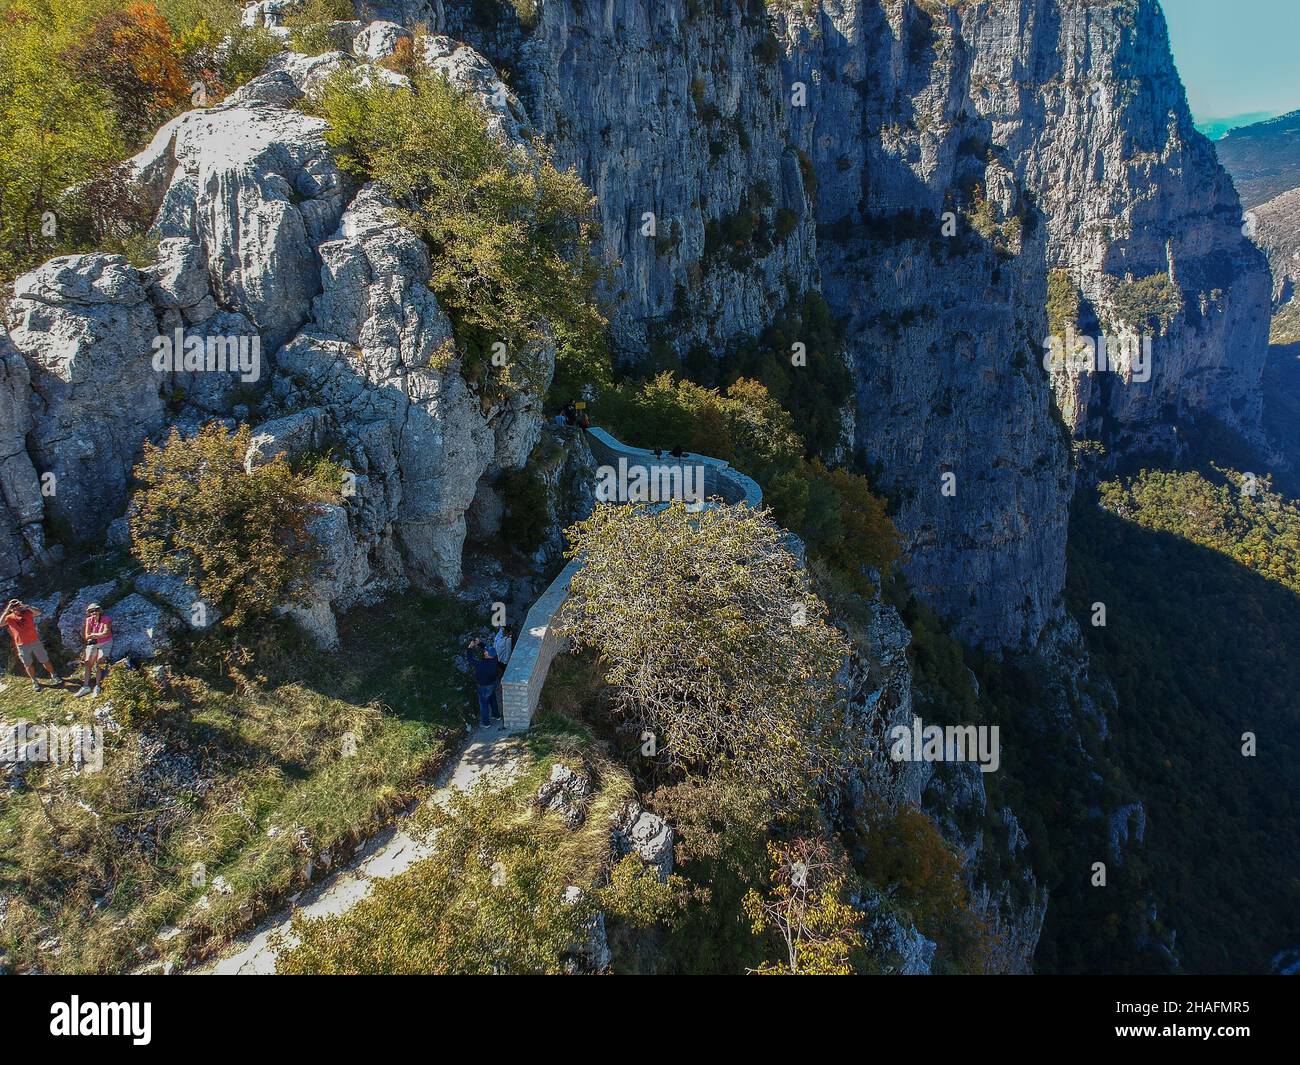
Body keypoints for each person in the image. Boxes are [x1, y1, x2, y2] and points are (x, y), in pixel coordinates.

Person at [1, 599, 60, 692]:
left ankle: (54, 675)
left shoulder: (27, 612)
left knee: (44, 660)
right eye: (14, 606)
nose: (16, 607)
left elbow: (39, 612)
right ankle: (34, 681)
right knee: (28, 664)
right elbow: (1, 623)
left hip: (35, 641)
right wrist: (7, 609)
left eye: (17, 604)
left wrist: (25, 606)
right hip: (21, 645)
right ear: (11, 608)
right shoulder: (9, 617)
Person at [75, 603, 113, 698]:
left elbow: (106, 633)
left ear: (99, 610)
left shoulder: (106, 619)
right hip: (94, 643)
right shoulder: (89, 620)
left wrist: (93, 635)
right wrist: (96, 635)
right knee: (88, 662)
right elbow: (87, 636)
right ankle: (86, 686)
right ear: (89, 613)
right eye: (91, 611)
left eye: (95, 610)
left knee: (100, 662)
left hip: (105, 643)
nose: (94, 613)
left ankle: (97, 686)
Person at [471, 644, 500, 727]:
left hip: (483, 687)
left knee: (484, 704)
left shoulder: (482, 664)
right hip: (492, 684)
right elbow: (486, 648)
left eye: (486, 652)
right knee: (492, 699)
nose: (484, 652)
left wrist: (469, 648)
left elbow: (471, 660)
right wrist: (479, 643)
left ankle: (486, 723)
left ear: (489, 655)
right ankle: (496, 715)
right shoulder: (494, 658)